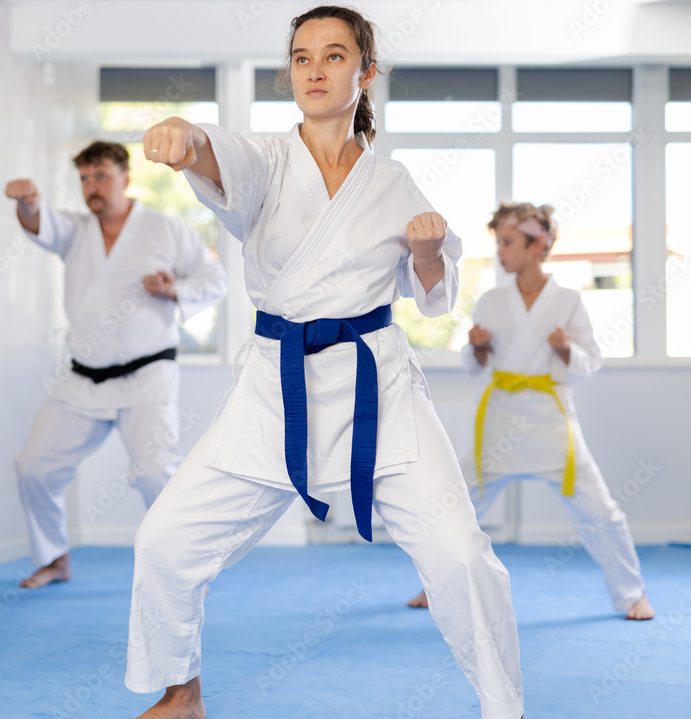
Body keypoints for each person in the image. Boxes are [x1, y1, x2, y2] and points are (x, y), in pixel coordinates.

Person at [127, 6, 525, 719]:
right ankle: (180, 689)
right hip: (274, 391)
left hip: (379, 390)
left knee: (462, 555)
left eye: (335, 55)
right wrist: (187, 139)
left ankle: (504, 706)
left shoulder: (394, 182)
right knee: (163, 537)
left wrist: (430, 253)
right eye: (302, 57)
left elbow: (433, 299)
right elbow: (222, 157)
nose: (315, 69)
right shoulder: (268, 162)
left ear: (366, 74)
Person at [406, 202, 654, 621]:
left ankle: (632, 594)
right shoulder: (491, 301)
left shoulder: (570, 301)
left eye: (507, 242)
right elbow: (474, 366)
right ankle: (437, 585)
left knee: (601, 512)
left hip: (551, 424)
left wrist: (565, 350)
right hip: (502, 418)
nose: (500, 251)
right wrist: (479, 348)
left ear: (537, 245)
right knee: (458, 505)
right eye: (498, 242)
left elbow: (589, 364)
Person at [5, 141, 228, 589]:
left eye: (101, 176)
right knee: (34, 467)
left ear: (126, 177)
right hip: (83, 378)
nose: (93, 186)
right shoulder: (74, 230)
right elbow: (37, 223)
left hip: (147, 375)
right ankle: (54, 558)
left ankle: (184, 566)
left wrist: (174, 290)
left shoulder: (165, 229)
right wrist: (29, 203)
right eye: (85, 179)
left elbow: (215, 279)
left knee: (154, 474)